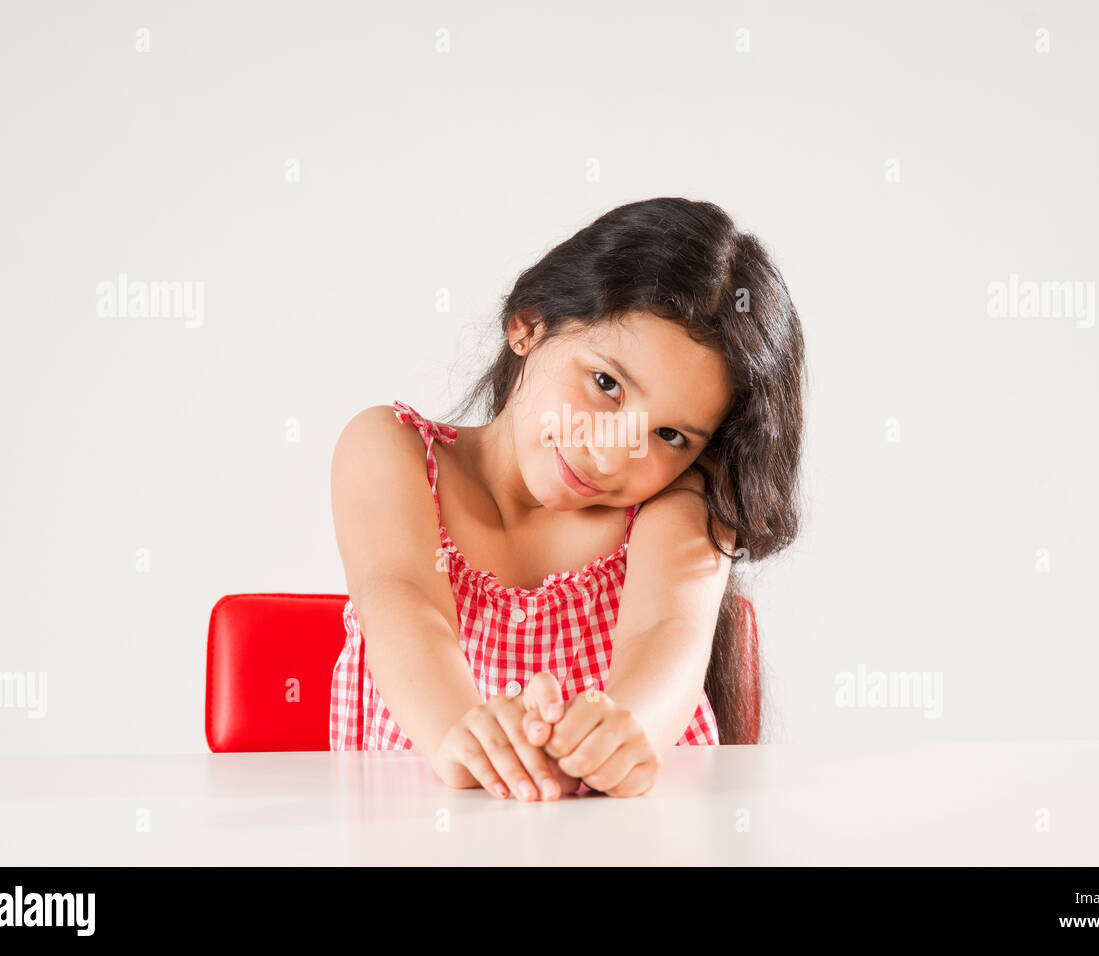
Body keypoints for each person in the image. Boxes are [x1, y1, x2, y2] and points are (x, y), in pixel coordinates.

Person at [330, 197, 805, 799]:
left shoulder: (677, 501)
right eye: (606, 383)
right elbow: (402, 598)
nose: (611, 454)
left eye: (670, 435)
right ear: (528, 324)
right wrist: (465, 732)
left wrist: (624, 729)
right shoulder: (391, 452)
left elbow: (666, 632)